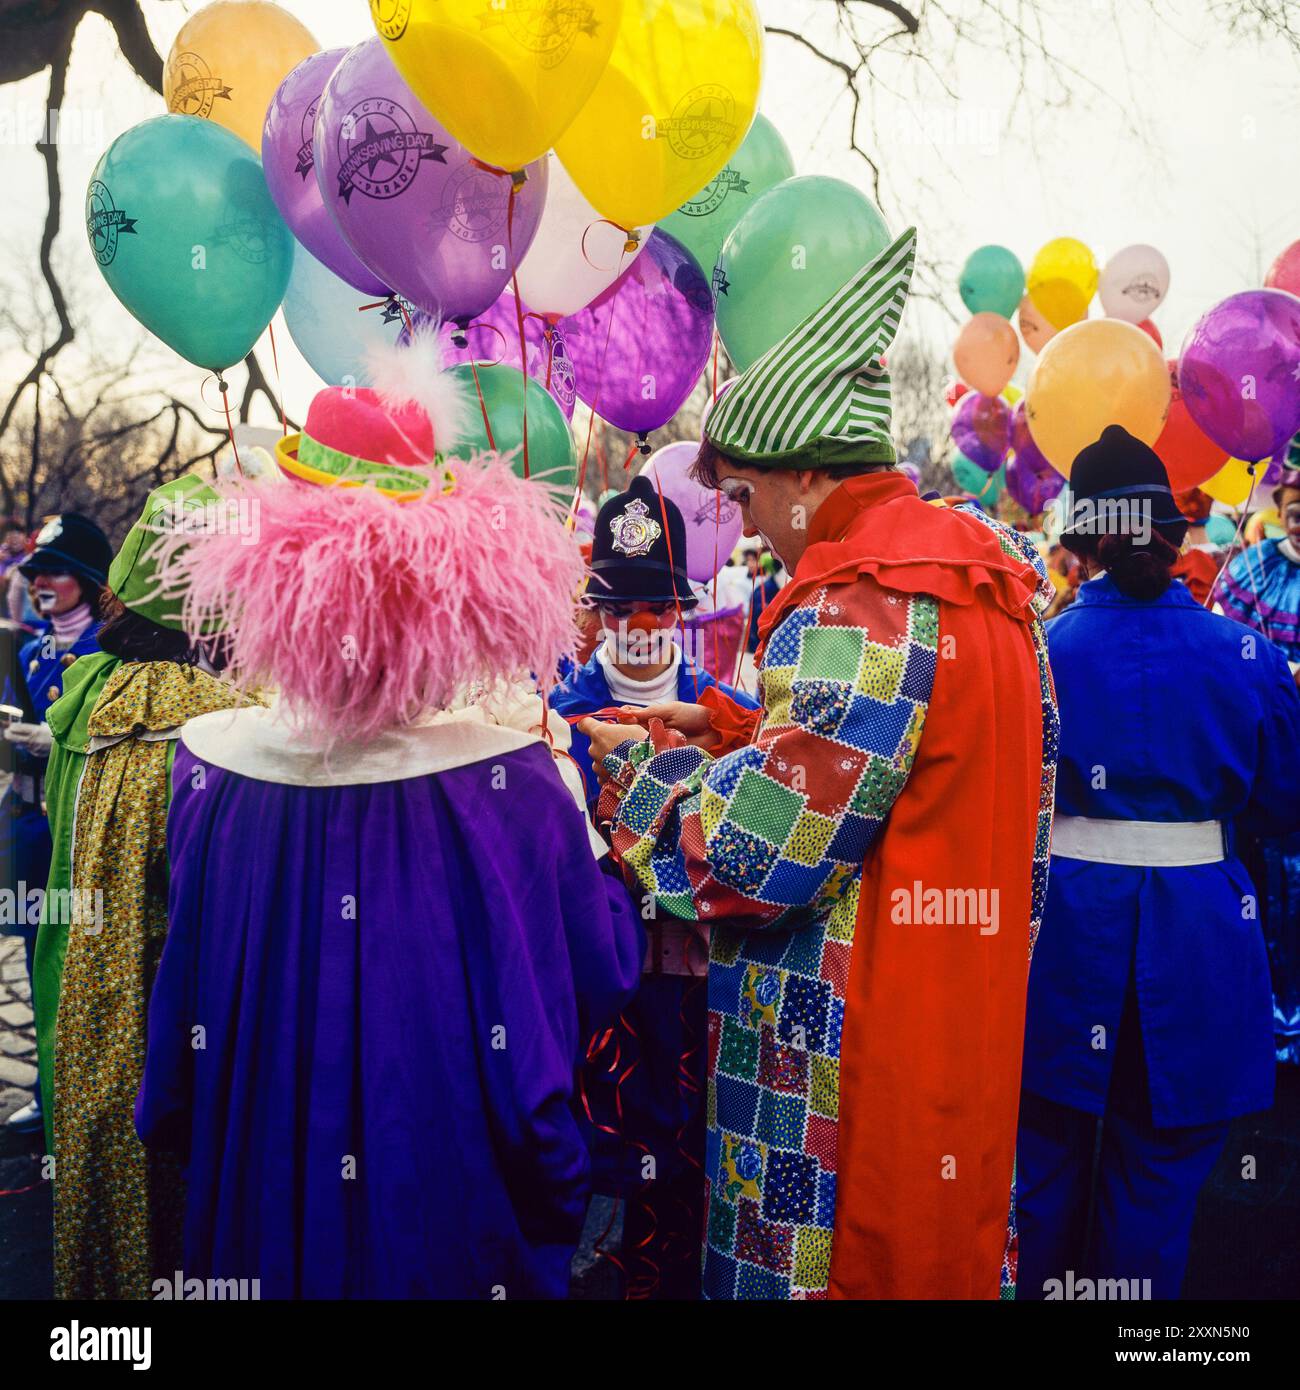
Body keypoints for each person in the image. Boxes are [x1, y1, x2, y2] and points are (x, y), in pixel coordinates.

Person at [581, 227, 1058, 1300]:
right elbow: (905, 778)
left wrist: (639, 780)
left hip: (845, 1076)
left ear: (805, 473)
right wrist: (740, 735)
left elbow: (750, 859)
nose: (749, 536)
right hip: (956, 1027)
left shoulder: (857, 597)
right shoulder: (984, 583)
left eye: (746, 500)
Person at [136, 339, 643, 1299]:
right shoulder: (516, 785)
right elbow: (594, 975)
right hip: (444, 1203)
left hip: (264, 1198)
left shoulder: (207, 770)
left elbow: (180, 1040)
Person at [1016, 428, 1300, 1300]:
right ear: (1172, 535)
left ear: (1086, 541)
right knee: (1156, 1188)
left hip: (1061, 935)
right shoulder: (1244, 657)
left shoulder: (1037, 652)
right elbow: (1287, 805)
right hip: (1201, 940)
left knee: (1043, 1175)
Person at [42, 476, 253, 1300]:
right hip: (186, 1012)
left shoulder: (82, 700)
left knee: (107, 1161)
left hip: (90, 1006)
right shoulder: (228, 722)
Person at [550, 478, 758, 1298]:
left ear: (682, 611)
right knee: (607, 1168)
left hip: (707, 998)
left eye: (657, 609)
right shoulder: (552, 718)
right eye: (618, 609)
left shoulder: (736, 714)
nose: (638, 627)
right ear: (595, 614)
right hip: (603, 997)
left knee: (696, 1166)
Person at [1, 512, 111, 1135]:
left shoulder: (110, 648)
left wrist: (59, 741)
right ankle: (47, 1094)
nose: (41, 581)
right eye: (35, 570)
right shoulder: (27, 647)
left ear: (89, 581)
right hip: (28, 826)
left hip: (81, 834)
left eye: (56, 571)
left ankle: (84, 1104)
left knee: (80, 968)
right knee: (33, 959)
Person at [1211, 464, 1300, 1067]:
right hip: (1271, 763)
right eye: (1296, 514)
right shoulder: (1252, 570)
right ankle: (1270, 1016)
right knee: (1271, 888)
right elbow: (1219, 657)